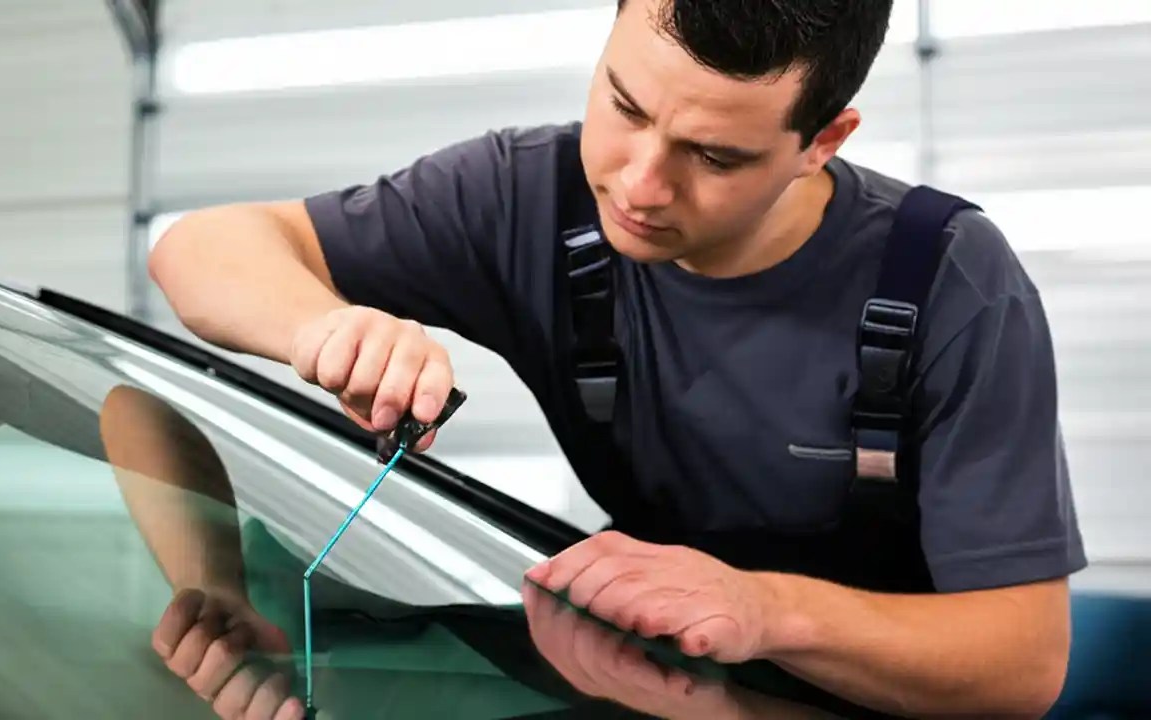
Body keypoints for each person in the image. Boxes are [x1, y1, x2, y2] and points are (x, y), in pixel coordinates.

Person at [149, 0, 1086, 716]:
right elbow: (197, 251)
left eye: (714, 157)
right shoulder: (526, 195)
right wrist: (324, 327)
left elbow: (1019, 666)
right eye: (625, 105)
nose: (638, 183)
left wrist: (763, 612)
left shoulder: (950, 282)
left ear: (821, 142)